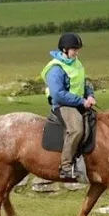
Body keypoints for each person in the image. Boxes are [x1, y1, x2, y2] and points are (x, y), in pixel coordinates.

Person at [41, 32, 96, 180]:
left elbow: (83, 83)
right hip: (63, 104)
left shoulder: (76, 63)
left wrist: (90, 95)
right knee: (76, 129)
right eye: (74, 49)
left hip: (78, 102)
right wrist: (81, 101)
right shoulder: (55, 69)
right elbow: (58, 94)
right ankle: (66, 167)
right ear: (64, 50)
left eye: (78, 49)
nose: (77, 52)